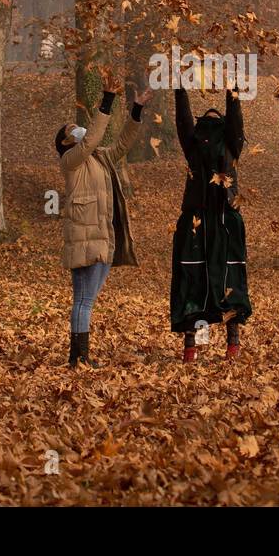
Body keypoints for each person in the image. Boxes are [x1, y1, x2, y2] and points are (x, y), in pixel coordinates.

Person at [56, 79, 152, 367]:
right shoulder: (72, 160)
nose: (77, 128)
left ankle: (79, 355)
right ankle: (79, 357)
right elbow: (91, 140)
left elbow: (121, 144)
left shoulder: (99, 158)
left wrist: (135, 110)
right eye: (71, 130)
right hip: (87, 240)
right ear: (65, 142)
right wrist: (107, 101)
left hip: (103, 239)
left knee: (87, 300)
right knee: (84, 300)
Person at [171, 84, 251, 361]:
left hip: (213, 218)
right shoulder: (223, 143)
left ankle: (203, 345)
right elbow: (185, 122)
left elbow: (183, 122)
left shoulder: (197, 142)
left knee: (208, 278)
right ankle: (216, 344)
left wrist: (181, 92)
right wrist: (232, 93)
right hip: (210, 220)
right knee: (211, 277)